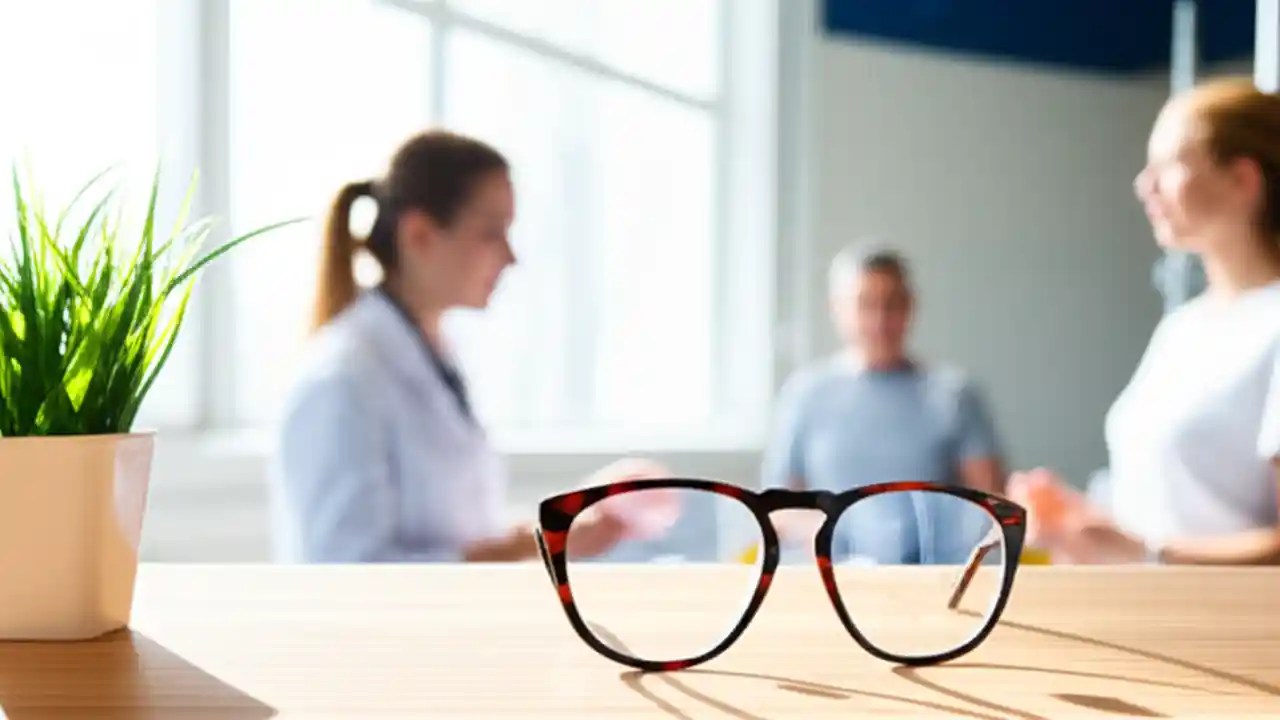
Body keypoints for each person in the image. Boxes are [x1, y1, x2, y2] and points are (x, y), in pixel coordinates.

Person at [271, 130, 659, 562]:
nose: (511, 257)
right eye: (492, 233)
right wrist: (534, 544)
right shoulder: (344, 379)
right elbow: (347, 573)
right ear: (420, 235)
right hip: (389, 630)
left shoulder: (432, 355)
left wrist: (563, 521)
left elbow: (456, 531)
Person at [1014, 77, 1280, 565]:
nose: (1144, 184)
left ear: (1243, 180)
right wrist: (1076, 520)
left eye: (1169, 165)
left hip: (1231, 635)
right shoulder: (1181, 329)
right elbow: (1157, 517)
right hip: (1142, 620)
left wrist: (1149, 554)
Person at [761, 242, 1004, 563]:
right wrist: (829, 531)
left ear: (910, 307)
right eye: (865, 304)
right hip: (829, 578)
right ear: (837, 308)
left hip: (931, 585)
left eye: (891, 305)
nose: (879, 320)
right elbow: (776, 509)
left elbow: (994, 508)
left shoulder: (955, 395)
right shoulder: (805, 394)